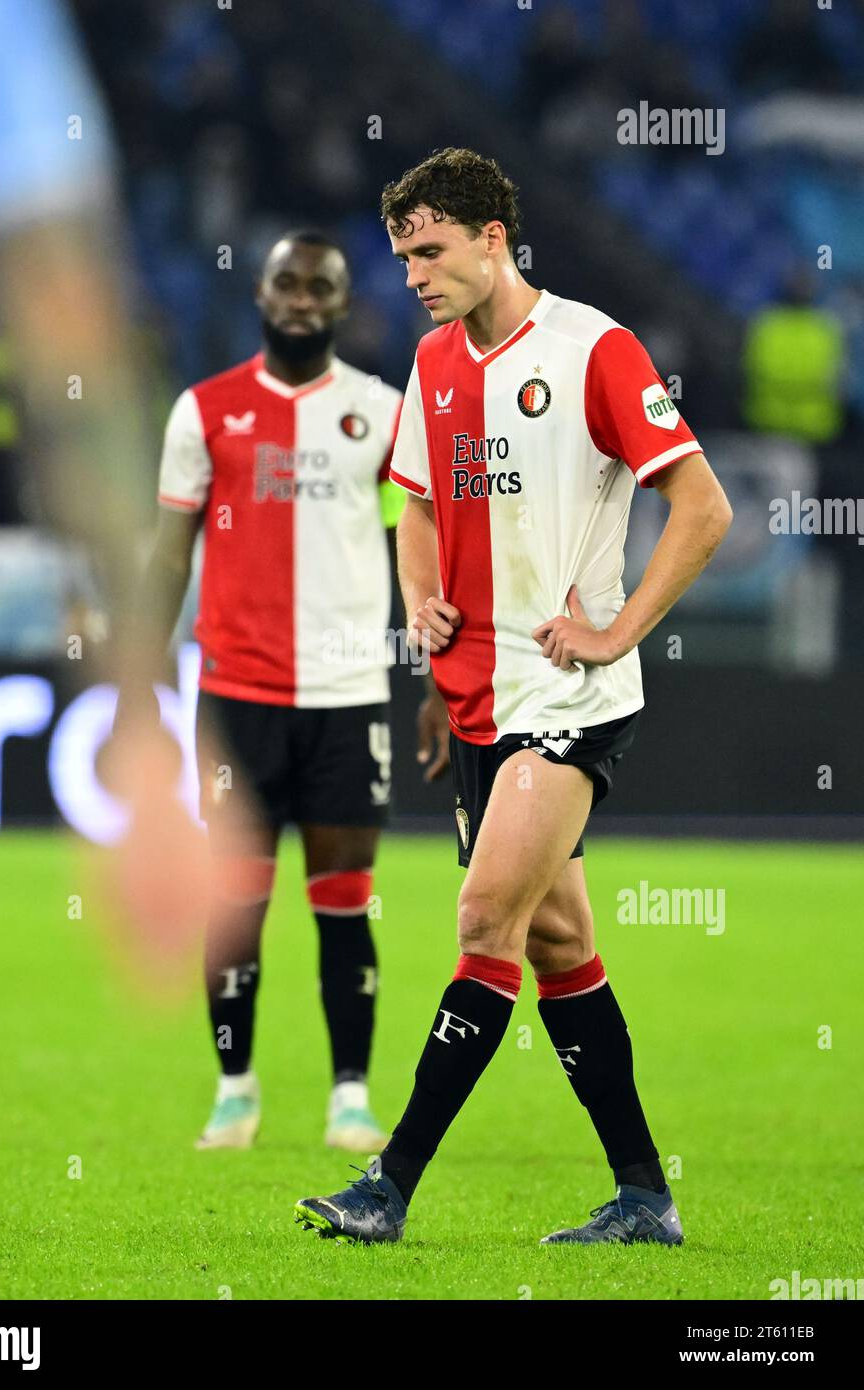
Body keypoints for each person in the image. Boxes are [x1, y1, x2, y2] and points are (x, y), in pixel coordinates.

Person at [294, 148, 732, 1244]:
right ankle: (645, 1196)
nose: (413, 274)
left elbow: (704, 506)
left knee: (484, 919)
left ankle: (387, 1188)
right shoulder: (434, 368)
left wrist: (617, 630)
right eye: (401, 256)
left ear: (494, 239)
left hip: (570, 694)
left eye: (430, 251)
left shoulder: (594, 350)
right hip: (482, 698)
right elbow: (420, 509)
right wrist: (418, 605)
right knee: (553, 944)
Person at [120, 230, 449, 1150]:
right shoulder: (205, 412)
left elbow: (412, 546)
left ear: (345, 306)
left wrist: (430, 679)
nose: (303, 298)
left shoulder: (384, 414)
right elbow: (168, 553)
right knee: (234, 905)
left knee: (343, 900)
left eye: (322, 287)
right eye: (287, 283)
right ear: (260, 295)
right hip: (236, 699)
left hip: (347, 693)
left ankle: (350, 1094)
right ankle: (235, 1088)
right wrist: (142, 677)